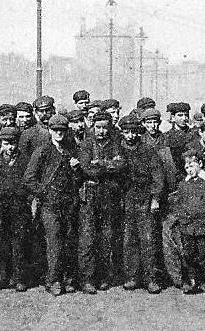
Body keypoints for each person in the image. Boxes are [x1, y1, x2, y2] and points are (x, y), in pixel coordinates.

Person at [25, 114, 81, 296]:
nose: (59, 133)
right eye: (55, 130)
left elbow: (79, 179)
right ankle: (53, 280)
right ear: (49, 130)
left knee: (69, 240)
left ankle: (68, 278)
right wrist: (44, 193)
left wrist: (76, 169)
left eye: (62, 130)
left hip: (69, 203)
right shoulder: (42, 150)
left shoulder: (71, 149)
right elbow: (29, 179)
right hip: (50, 205)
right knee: (54, 242)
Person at [76, 111, 127, 293]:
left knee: (107, 237)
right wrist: (107, 165)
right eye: (98, 127)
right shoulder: (86, 144)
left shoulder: (116, 143)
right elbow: (87, 169)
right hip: (90, 195)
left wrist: (100, 163)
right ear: (93, 126)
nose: (101, 131)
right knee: (88, 238)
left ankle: (105, 276)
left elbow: (121, 165)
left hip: (109, 196)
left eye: (105, 127)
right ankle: (87, 279)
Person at [0, 126, 32, 291]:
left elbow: (31, 178)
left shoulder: (25, 159)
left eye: (13, 143)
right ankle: (1, 277)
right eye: (6, 143)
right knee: (0, 243)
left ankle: (19, 278)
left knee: (19, 243)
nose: (10, 147)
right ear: (1, 143)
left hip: (19, 207)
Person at [119, 114, 164, 294]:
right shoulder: (118, 150)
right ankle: (131, 277)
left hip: (145, 199)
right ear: (122, 132)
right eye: (127, 132)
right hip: (127, 199)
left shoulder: (148, 150)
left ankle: (151, 279)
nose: (130, 136)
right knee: (129, 240)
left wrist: (155, 199)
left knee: (148, 240)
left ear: (139, 132)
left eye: (134, 132)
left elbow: (158, 177)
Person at [172, 151, 205, 296]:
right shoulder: (183, 184)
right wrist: (183, 219)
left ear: (200, 164)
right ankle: (193, 281)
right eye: (187, 168)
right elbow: (179, 204)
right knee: (189, 255)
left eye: (192, 166)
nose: (190, 170)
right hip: (188, 226)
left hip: (204, 225)